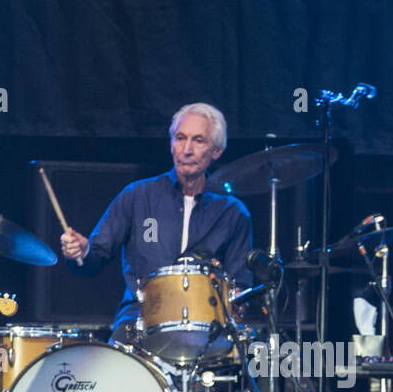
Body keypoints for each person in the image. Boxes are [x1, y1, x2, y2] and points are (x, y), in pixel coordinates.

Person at [60, 102, 252, 343]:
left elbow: (240, 285)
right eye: (180, 138)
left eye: (199, 140)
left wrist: (236, 299)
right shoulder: (136, 195)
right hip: (139, 319)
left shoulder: (233, 212)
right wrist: (80, 251)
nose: (187, 149)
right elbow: (94, 259)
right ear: (171, 145)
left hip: (205, 324)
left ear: (217, 151)